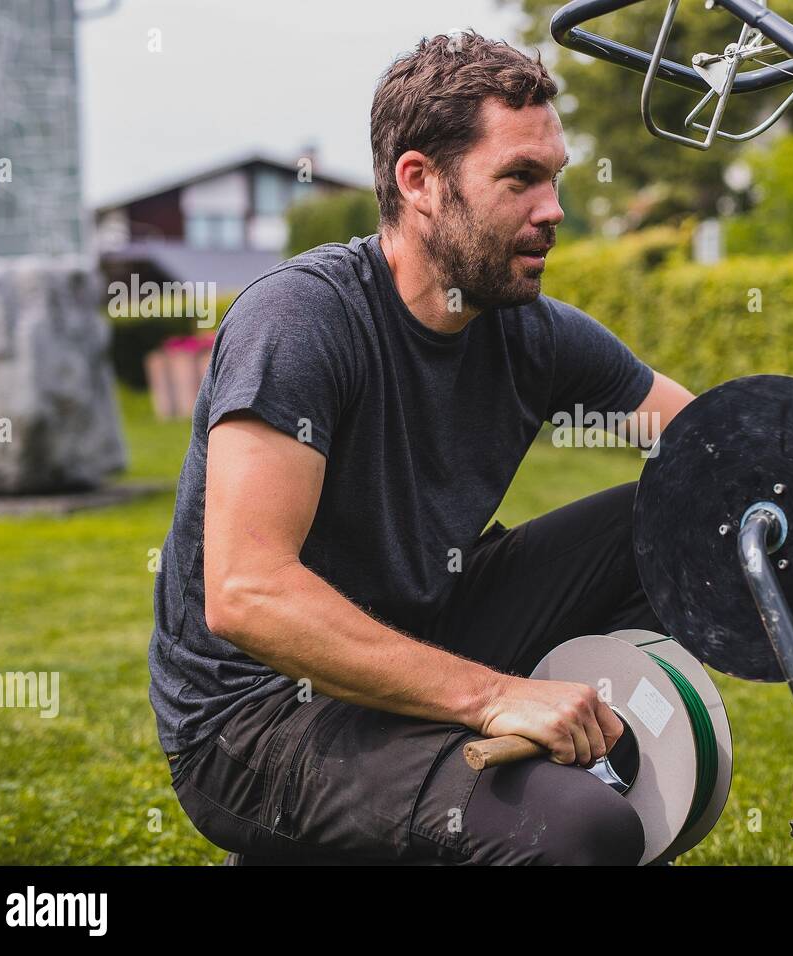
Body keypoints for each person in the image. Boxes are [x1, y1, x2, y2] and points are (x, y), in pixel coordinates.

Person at [147, 29, 695, 865]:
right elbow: (246, 593)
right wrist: (493, 698)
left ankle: (515, 763)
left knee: (673, 510)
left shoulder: (530, 333)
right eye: (519, 179)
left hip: (422, 629)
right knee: (583, 834)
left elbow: (711, 449)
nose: (552, 210)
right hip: (257, 717)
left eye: (554, 180)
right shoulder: (300, 322)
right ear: (421, 182)